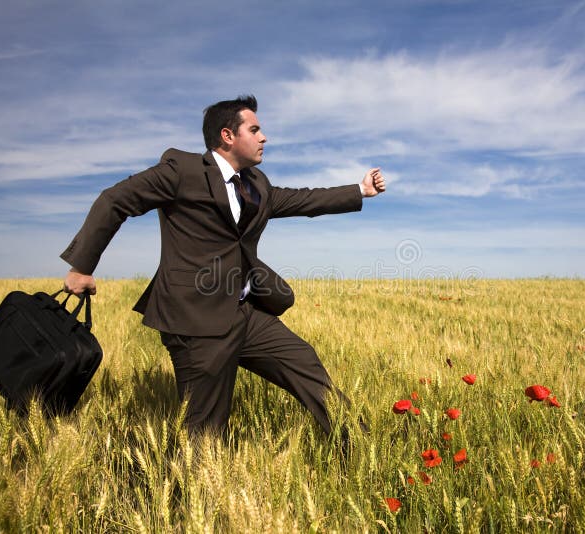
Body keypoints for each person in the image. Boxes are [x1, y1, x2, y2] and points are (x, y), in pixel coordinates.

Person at [61, 95, 385, 440]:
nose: (264, 138)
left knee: (303, 362)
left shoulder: (256, 184)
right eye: (255, 129)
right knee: (205, 426)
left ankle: (362, 448)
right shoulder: (181, 170)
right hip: (195, 318)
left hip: (244, 313)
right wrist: (82, 266)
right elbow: (115, 200)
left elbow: (304, 200)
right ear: (228, 135)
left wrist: (359, 190)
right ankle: (191, 491)